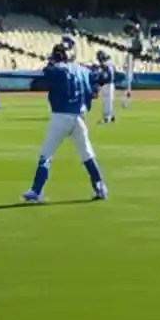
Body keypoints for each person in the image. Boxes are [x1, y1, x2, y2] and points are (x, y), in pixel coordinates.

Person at [22, 44, 108, 202]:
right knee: (87, 154)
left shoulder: (58, 69)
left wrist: (50, 64)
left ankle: (36, 190)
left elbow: (42, 79)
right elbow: (101, 78)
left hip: (61, 115)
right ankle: (100, 186)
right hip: (79, 116)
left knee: (46, 154)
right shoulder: (82, 69)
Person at [94, 50, 116, 124]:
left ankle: (107, 118)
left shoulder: (105, 65)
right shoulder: (109, 64)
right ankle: (110, 116)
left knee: (107, 101)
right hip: (109, 84)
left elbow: (105, 76)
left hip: (107, 84)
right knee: (109, 101)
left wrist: (99, 82)